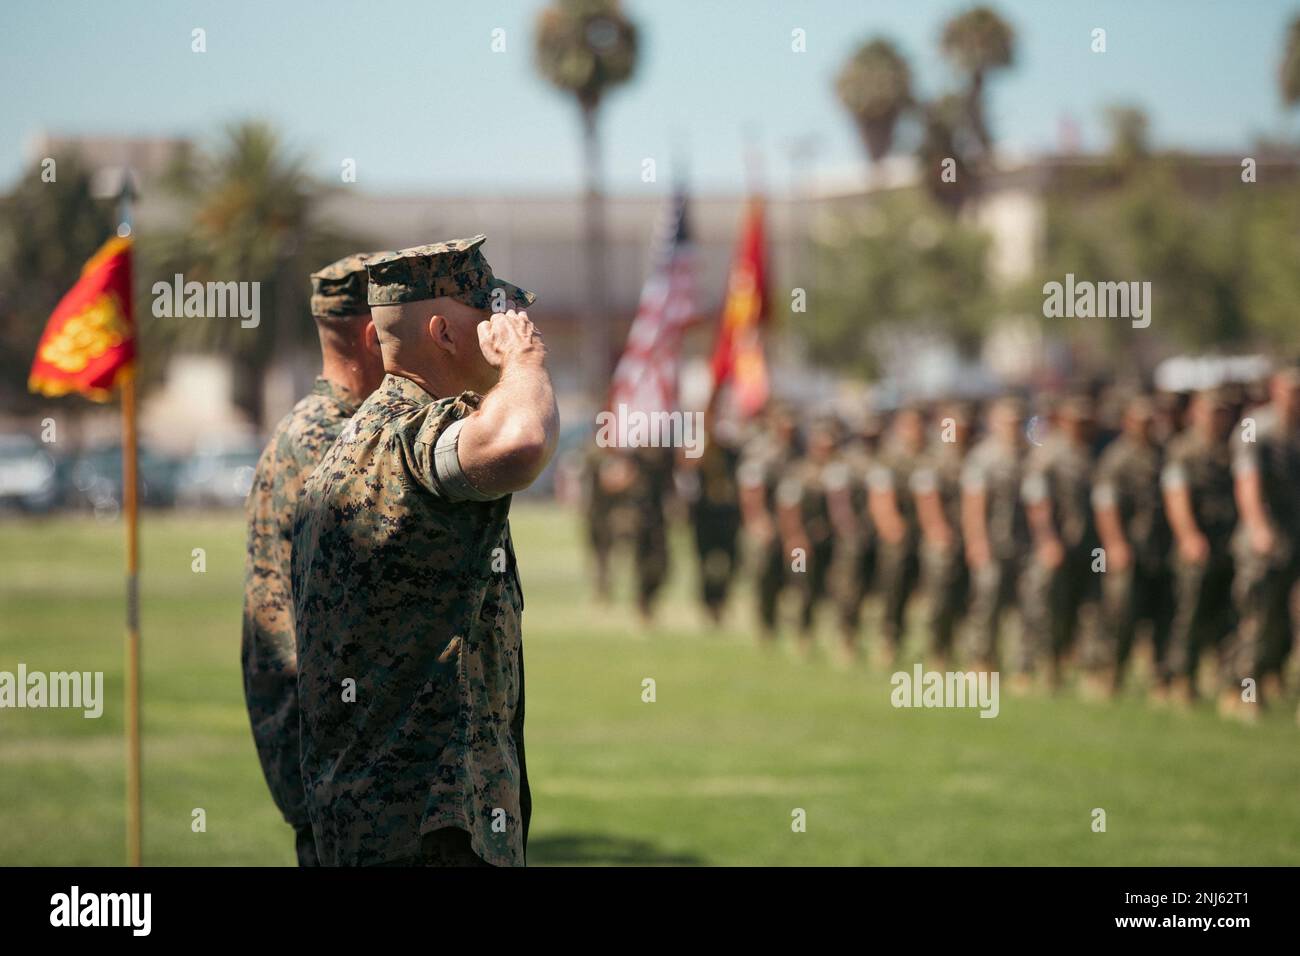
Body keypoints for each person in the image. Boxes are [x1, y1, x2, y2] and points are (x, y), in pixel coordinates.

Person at [292, 235, 558, 866]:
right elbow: (521, 442)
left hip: (390, 824)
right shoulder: (401, 438)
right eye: (489, 315)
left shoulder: (367, 436)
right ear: (442, 333)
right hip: (428, 829)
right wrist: (523, 364)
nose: (506, 328)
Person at [241, 251, 387, 866]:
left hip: (323, 757)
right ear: (374, 334)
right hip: (341, 770)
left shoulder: (310, 428)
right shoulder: (333, 443)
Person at [1090, 394, 1173, 698]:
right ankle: (1111, 673)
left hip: (1160, 550)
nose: (1147, 426)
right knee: (1121, 614)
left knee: (1163, 614)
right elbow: (1105, 504)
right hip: (1129, 550)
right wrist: (1115, 544)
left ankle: (1161, 678)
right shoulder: (1117, 458)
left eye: (1150, 421)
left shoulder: (1164, 455)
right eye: (1141, 421)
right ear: (1128, 422)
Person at [1161, 388, 1238, 713]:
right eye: (1210, 411)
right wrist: (1188, 536)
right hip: (1196, 548)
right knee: (1189, 615)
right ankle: (1183, 678)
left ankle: (1230, 682)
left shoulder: (1233, 449)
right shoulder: (1182, 450)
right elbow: (1175, 495)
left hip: (1228, 544)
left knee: (1230, 615)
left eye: (1221, 412)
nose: (1216, 418)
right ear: (1195, 412)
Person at [1230, 365, 1300, 713]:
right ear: (1275, 390)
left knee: (1288, 619)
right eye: (1291, 391)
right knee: (1259, 617)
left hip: (1296, 534)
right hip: (1265, 539)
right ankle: (1246, 691)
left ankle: (1277, 679)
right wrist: (1258, 527)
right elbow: (1248, 481)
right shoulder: (1254, 426)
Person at [1020, 396, 1100, 691]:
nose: (1082, 426)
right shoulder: (1048, 455)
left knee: (1088, 606)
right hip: (1055, 545)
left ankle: (1082, 665)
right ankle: (1040, 665)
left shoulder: (1092, 453)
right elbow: (1037, 500)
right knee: (1045, 605)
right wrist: (1047, 540)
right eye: (1076, 421)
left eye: (1086, 421)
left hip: (1089, 546)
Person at [962, 397, 1030, 673]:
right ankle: (981, 661)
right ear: (993, 423)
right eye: (1006, 422)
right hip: (992, 542)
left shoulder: (1030, 456)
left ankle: (1022, 667)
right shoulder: (983, 457)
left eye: (1017, 422)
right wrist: (977, 541)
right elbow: (973, 504)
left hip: (1024, 544)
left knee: (1026, 605)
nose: (1012, 427)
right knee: (986, 603)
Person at [911, 402, 973, 669]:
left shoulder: (972, 458)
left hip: (969, 539)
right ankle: (937, 650)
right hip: (942, 541)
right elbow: (927, 498)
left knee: (968, 599)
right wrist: (937, 530)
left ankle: (967, 653)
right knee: (939, 598)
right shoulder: (934, 460)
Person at [737, 404, 801, 641]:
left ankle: (797, 623)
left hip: (795, 525)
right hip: (768, 523)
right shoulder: (760, 451)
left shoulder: (799, 450)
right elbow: (751, 491)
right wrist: (758, 521)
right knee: (764, 572)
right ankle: (765, 622)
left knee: (798, 571)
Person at [868, 407, 926, 665]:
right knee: (894, 588)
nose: (914, 431)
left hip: (924, 534)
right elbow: (880, 496)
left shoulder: (930, 457)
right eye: (908, 425)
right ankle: (888, 640)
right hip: (898, 535)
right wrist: (890, 525)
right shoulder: (889, 458)